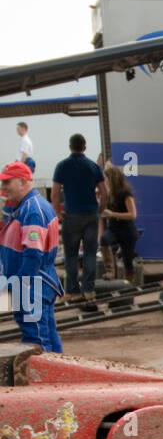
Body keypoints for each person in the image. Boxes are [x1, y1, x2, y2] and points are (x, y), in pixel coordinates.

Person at [0, 161, 63, 352]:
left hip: (31, 285)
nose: (3, 187)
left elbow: (33, 256)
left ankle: (46, 379)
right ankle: (59, 377)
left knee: (36, 340)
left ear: (22, 181)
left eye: (7, 182)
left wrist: (15, 287)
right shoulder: (25, 206)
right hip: (31, 284)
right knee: (46, 335)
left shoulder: (33, 211)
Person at [51, 134, 106, 305]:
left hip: (71, 216)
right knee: (90, 253)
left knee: (71, 255)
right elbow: (105, 192)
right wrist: (101, 209)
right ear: (84, 147)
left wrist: (56, 213)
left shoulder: (62, 166)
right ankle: (88, 290)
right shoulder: (93, 167)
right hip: (91, 215)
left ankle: (72, 291)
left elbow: (54, 193)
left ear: (70, 147)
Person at [99, 164, 138, 282]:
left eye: (106, 179)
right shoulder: (108, 194)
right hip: (114, 229)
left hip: (127, 230)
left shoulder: (125, 193)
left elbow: (133, 214)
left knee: (127, 260)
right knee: (104, 239)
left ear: (112, 179)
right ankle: (110, 271)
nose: (105, 182)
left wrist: (113, 214)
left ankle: (129, 281)